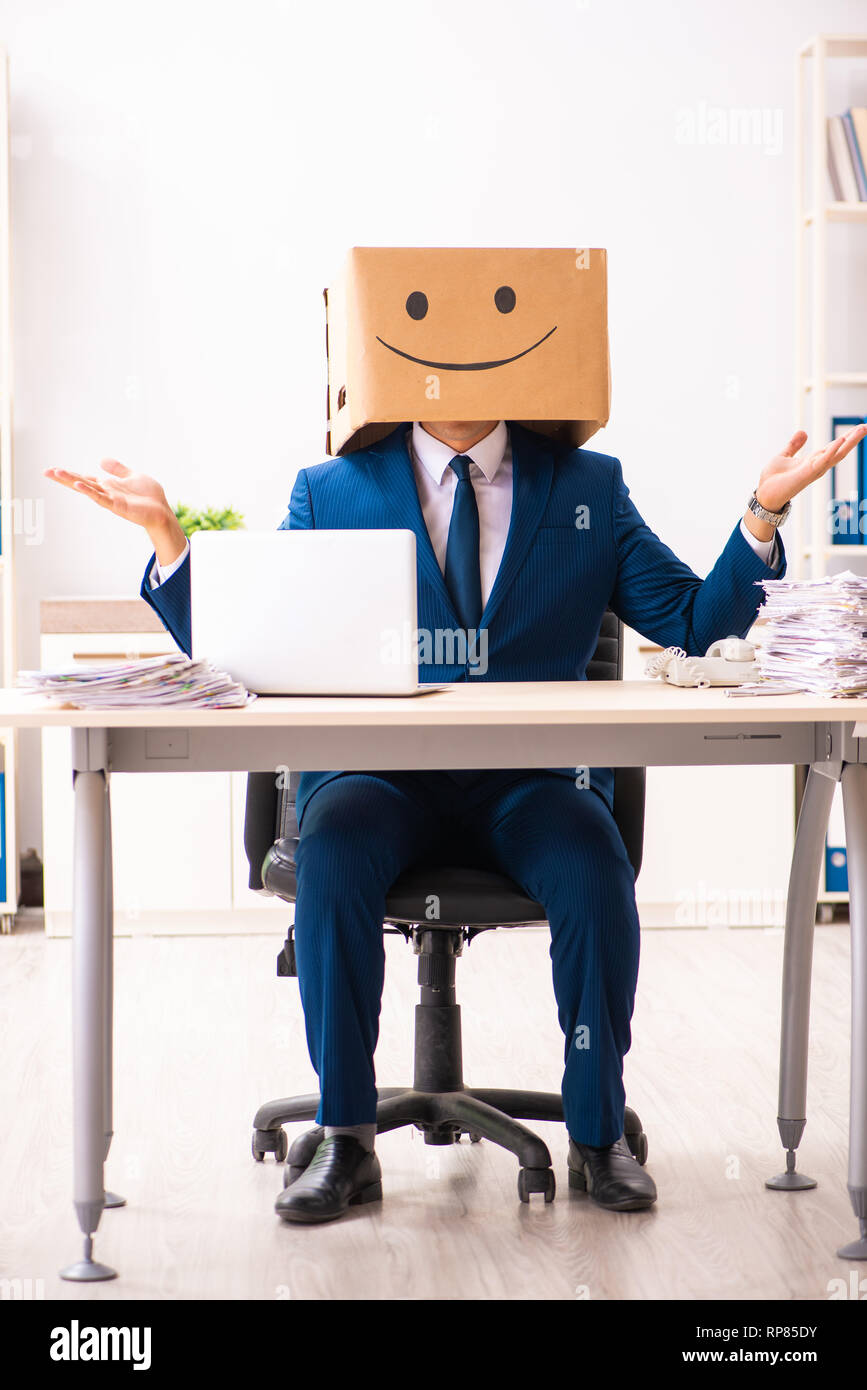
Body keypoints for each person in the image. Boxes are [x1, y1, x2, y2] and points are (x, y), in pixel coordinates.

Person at [45, 414, 867, 1225]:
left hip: (530, 784)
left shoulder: (587, 486)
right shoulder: (333, 489)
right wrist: (166, 538)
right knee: (331, 857)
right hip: (380, 781)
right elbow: (246, 648)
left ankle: (595, 1134)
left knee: (592, 865)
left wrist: (761, 512)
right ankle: (345, 1137)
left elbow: (693, 623)